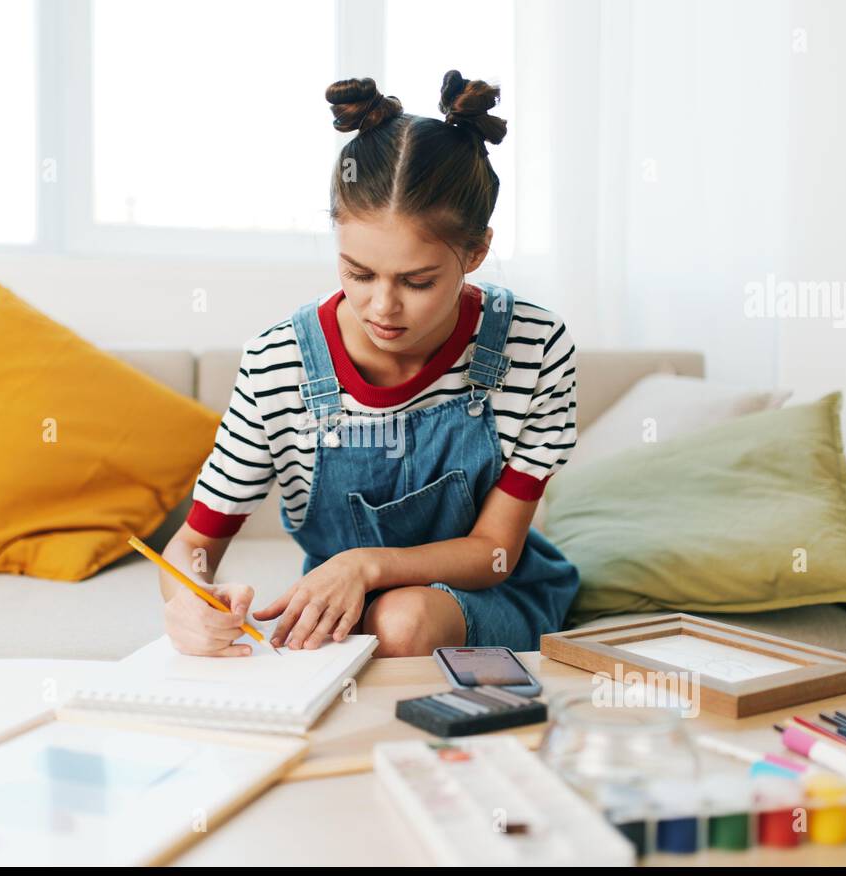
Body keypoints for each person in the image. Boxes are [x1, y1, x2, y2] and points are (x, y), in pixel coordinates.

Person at [158, 71, 580, 657]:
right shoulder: (279, 363)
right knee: (382, 622)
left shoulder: (534, 345)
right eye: (358, 274)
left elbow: (494, 551)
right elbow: (192, 547)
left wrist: (366, 565)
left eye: (418, 281)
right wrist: (190, 600)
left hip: (488, 596)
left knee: (402, 618)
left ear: (477, 252)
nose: (383, 308)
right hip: (345, 613)